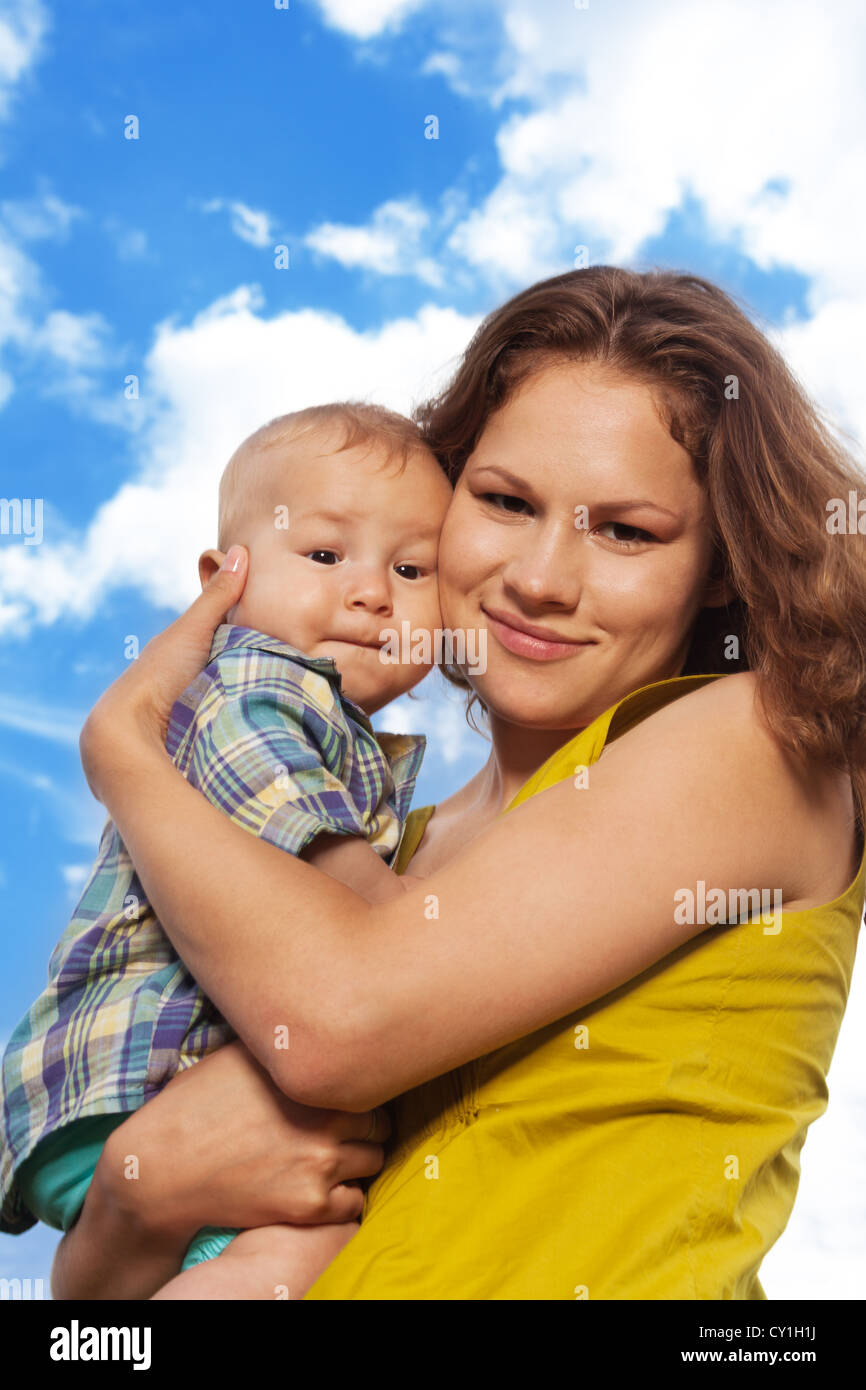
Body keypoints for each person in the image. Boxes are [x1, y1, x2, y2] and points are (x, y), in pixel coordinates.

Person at [52, 266, 866, 1300]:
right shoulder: (384, 844)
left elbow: (336, 1024)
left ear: (714, 565)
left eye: (625, 530)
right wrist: (137, 1195)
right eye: (503, 500)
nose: (538, 576)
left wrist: (125, 750)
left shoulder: (747, 740)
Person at [0, 401, 454, 1299]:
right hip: (146, 1078)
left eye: (411, 568)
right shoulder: (255, 684)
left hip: (149, 1105)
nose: (373, 592)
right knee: (298, 1263)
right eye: (326, 555)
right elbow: (313, 848)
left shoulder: (339, 727)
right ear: (225, 577)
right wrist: (424, 934)